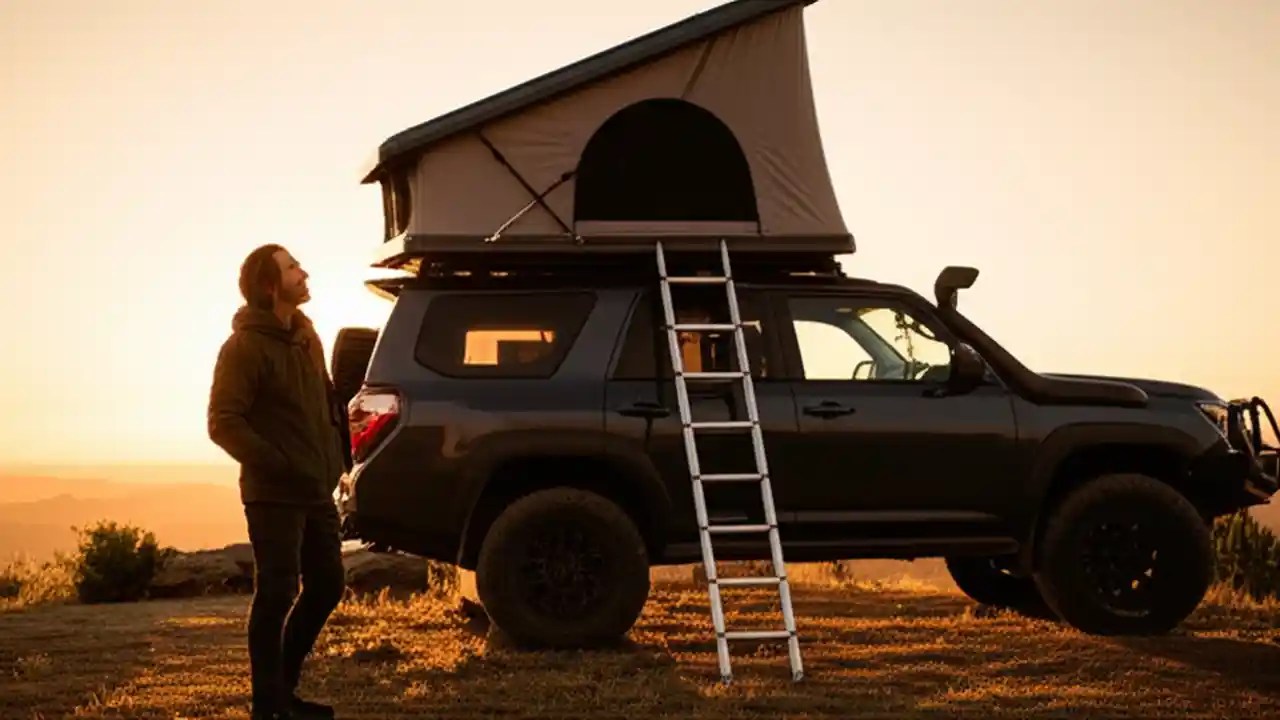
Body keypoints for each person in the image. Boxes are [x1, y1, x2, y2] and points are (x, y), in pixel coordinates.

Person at [207, 244, 351, 720]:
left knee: (327, 584)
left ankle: (280, 693)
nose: (303, 273)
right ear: (270, 286)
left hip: (316, 489)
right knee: (276, 594)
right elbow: (223, 422)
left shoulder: (307, 337)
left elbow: (326, 402)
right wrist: (280, 464)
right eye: (292, 268)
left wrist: (337, 457)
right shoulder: (243, 348)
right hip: (273, 493)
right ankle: (267, 706)